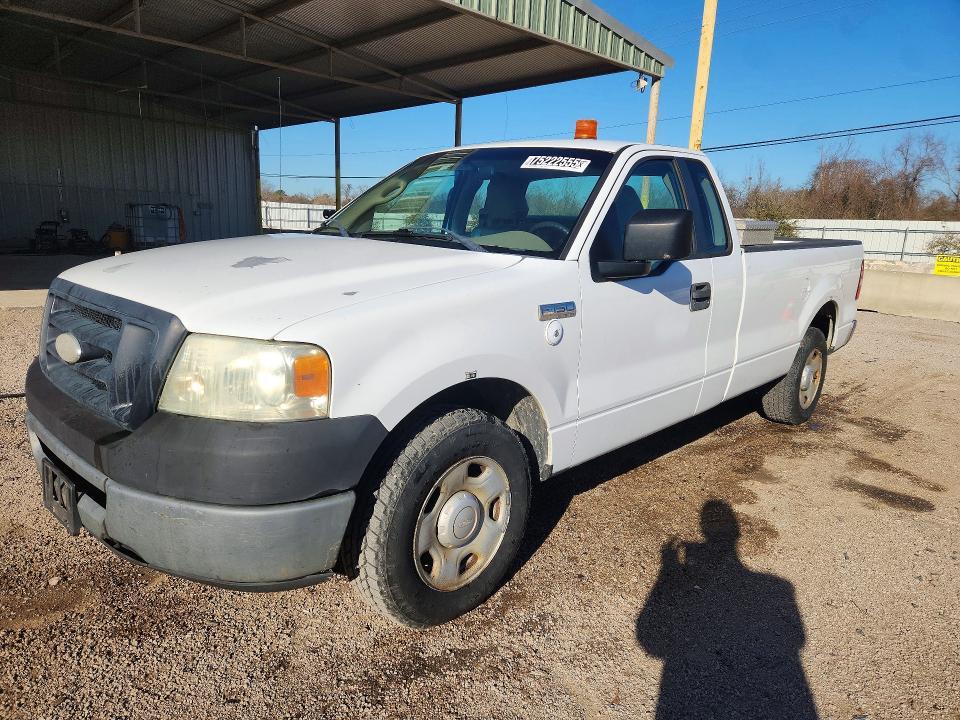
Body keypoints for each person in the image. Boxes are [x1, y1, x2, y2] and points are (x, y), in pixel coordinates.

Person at [636, 500, 818, 720]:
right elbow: (798, 639)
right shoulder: (778, 587)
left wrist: (667, 570)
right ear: (737, 533)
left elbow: (651, 642)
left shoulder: (779, 588)